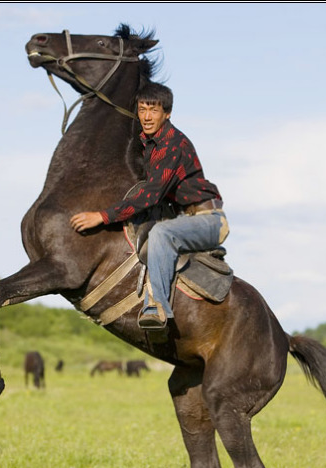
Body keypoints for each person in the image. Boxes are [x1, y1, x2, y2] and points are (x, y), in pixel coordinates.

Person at [70, 82, 229, 330]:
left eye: (153, 110)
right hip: (181, 219)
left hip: (208, 220)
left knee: (160, 234)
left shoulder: (173, 144)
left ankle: (157, 307)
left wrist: (102, 216)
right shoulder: (146, 143)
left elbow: (151, 195)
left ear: (167, 114)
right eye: (143, 109)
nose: (146, 116)